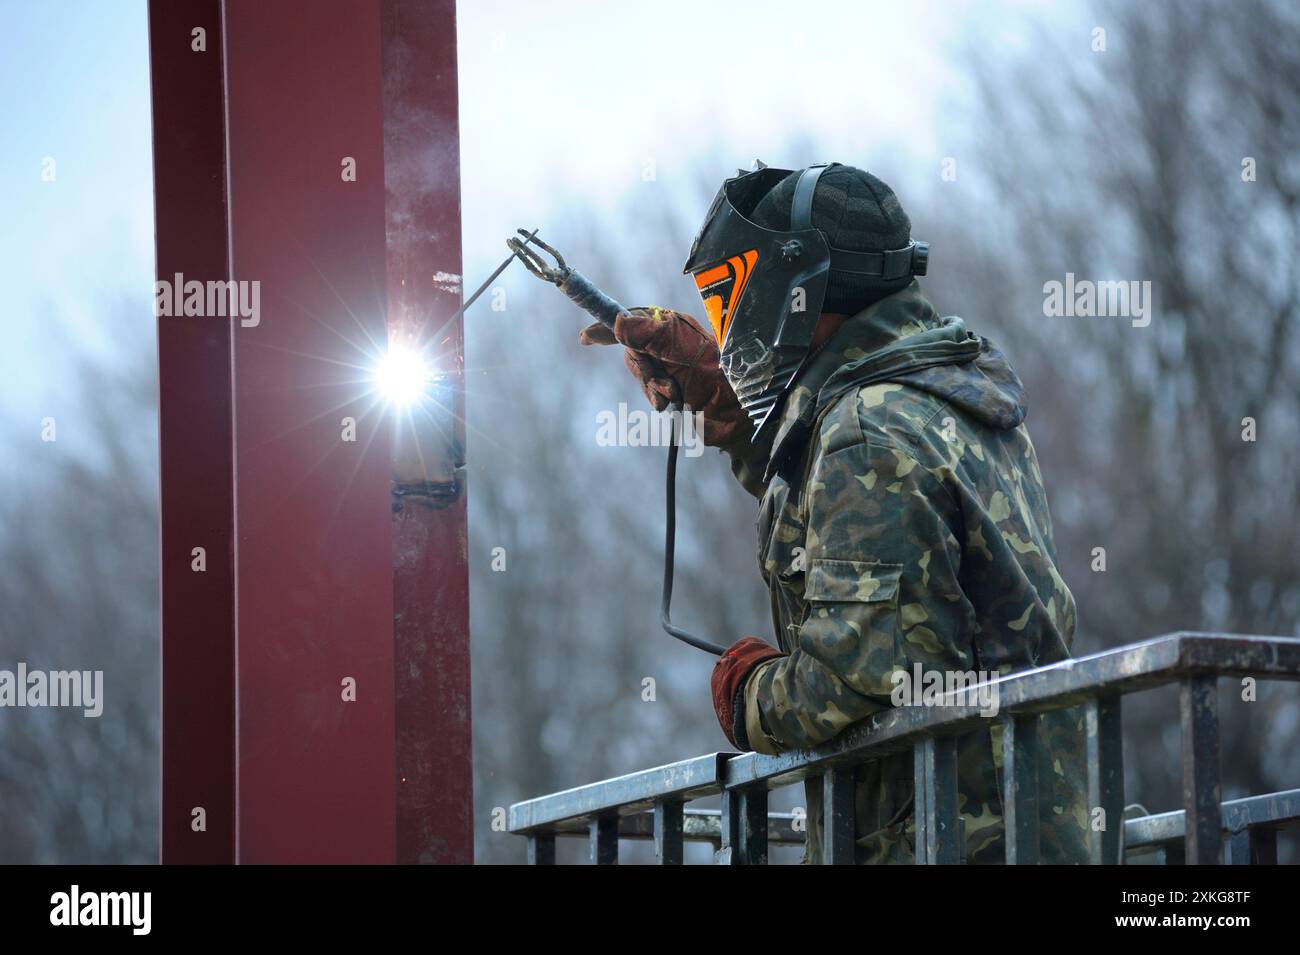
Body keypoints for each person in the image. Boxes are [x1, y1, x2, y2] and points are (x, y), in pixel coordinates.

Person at [580, 162, 1089, 864]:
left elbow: (850, 677)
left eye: (737, 299)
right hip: (1020, 825)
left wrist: (747, 694)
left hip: (946, 839)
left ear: (797, 289)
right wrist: (728, 413)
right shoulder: (938, 392)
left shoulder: (865, 428)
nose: (734, 329)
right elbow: (869, 530)